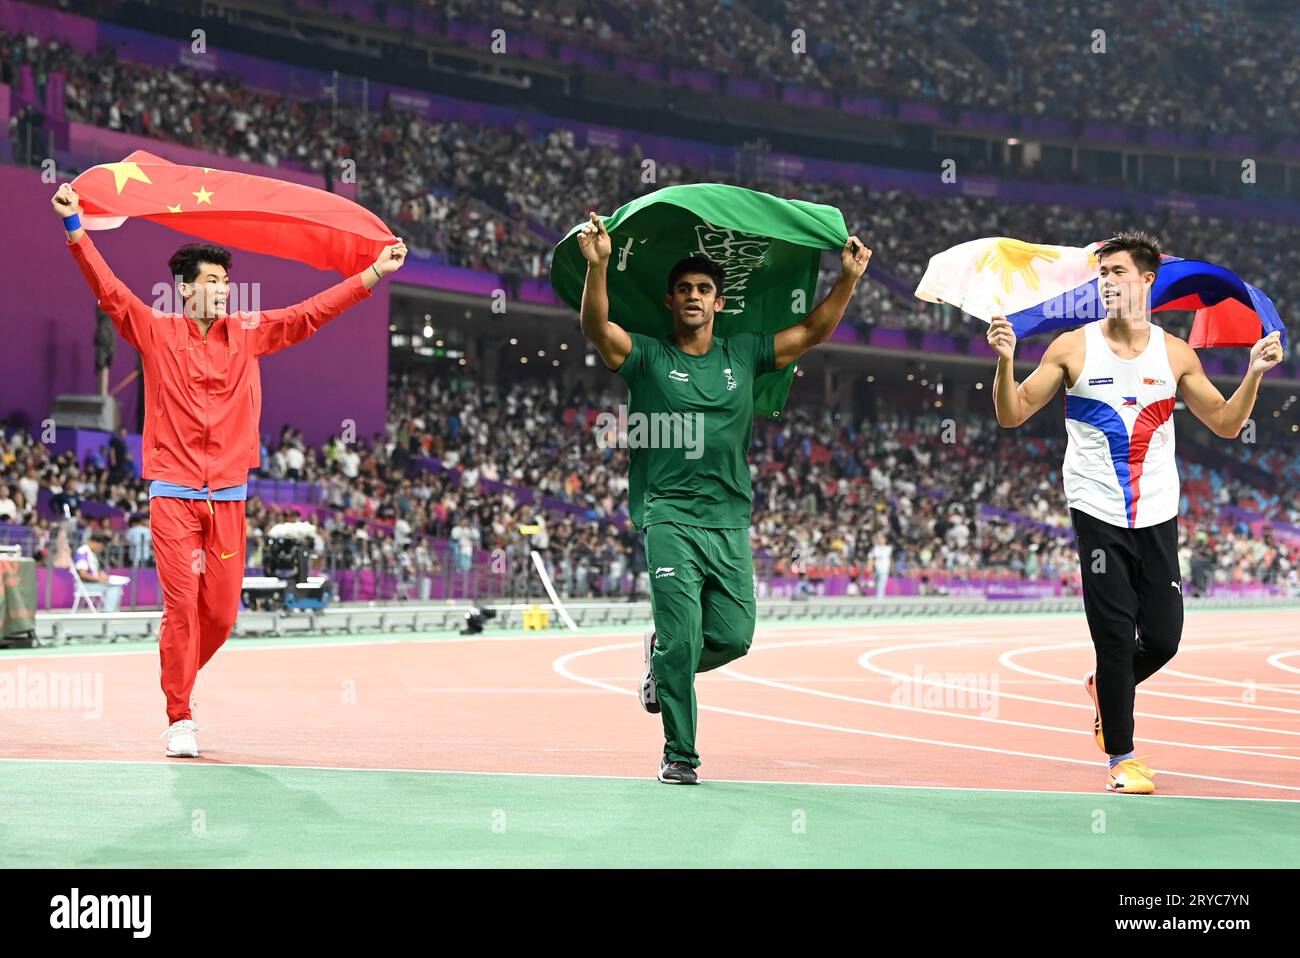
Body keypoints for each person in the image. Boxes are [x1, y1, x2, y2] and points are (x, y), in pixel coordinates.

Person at [53, 181, 407, 758]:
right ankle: (179, 715)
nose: (222, 290)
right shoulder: (154, 329)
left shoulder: (247, 332)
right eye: (212, 281)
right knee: (180, 608)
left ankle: (178, 672)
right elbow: (108, 289)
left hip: (229, 497)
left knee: (219, 614)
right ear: (185, 289)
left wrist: (371, 274)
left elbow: (310, 314)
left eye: (224, 281)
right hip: (172, 495)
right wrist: (75, 227)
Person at [576, 210, 872, 784]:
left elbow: (812, 332)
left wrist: (848, 279)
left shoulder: (743, 354)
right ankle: (680, 755)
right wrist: (599, 267)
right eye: (685, 289)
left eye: (704, 289)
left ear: (719, 302)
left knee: (734, 637)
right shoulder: (648, 357)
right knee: (683, 637)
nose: (694, 295)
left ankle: (663, 661)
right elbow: (597, 329)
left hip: (729, 519)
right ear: (670, 301)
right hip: (668, 516)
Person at [988, 230, 1283, 795]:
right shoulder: (1071, 348)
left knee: (1164, 639)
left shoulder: (1175, 353)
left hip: (1157, 512)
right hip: (1096, 509)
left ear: (1148, 280)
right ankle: (1121, 760)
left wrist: (1254, 374)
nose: (1107, 282)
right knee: (1116, 635)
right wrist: (1005, 363)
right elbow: (1012, 413)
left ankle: (1104, 686)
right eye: (1101, 274)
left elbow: (1225, 423)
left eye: (1117, 272)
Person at [73, 532, 129, 613]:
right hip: (85, 585)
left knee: (115, 585)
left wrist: (103, 576)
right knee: (114, 587)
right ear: (95, 543)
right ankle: (108, 614)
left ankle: (111, 612)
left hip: (93, 583)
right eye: (102, 546)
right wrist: (99, 579)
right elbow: (83, 575)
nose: (101, 549)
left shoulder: (91, 553)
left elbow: (96, 570)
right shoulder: (82, 552)